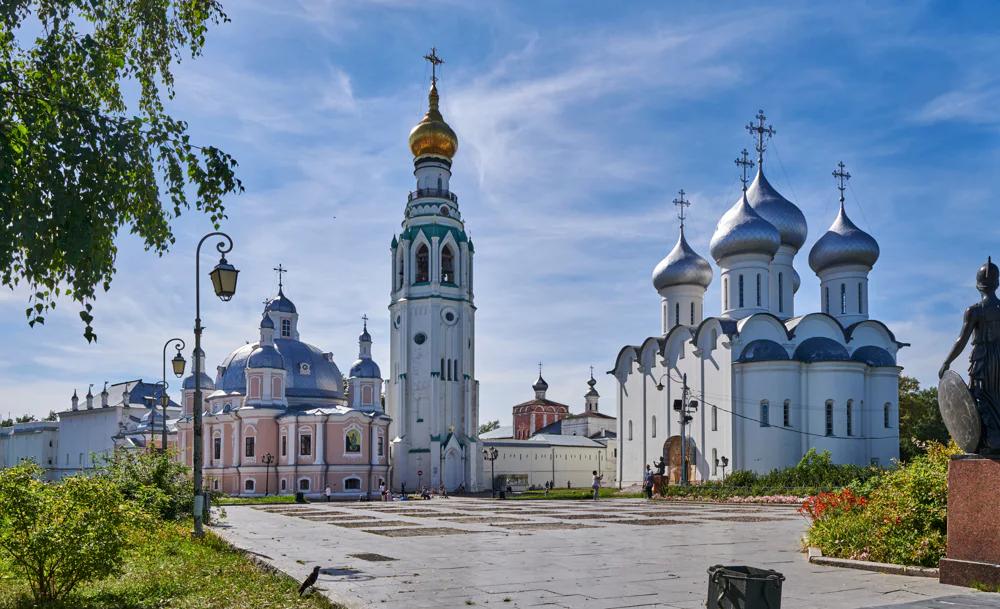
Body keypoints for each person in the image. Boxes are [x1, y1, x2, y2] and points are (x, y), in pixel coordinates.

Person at [941, 257, 1000, 454]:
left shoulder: (974, 311)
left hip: (983, 360)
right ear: (997, 284)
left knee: (981, 396)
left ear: (978, 286)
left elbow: (962, 340)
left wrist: (947, 362)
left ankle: (991, 440)